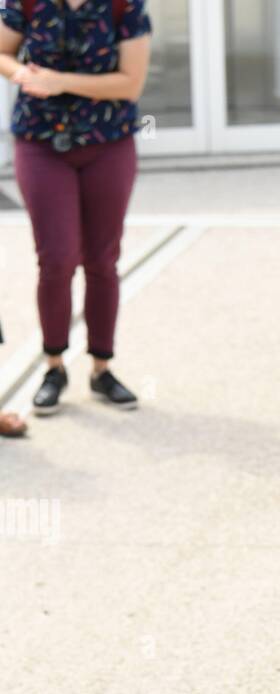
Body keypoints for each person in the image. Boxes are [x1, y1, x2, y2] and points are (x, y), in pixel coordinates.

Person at [0, 0, 151, 414]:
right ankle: (54, 366)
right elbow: (2, 52)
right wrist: (24, 75)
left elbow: (130, 83)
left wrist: (58, 80)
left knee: (102, 259)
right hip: (40, 144)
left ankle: (101, 369)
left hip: (109, 144)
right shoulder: (26, 3)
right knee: (57, 258)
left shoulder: (125, 6)